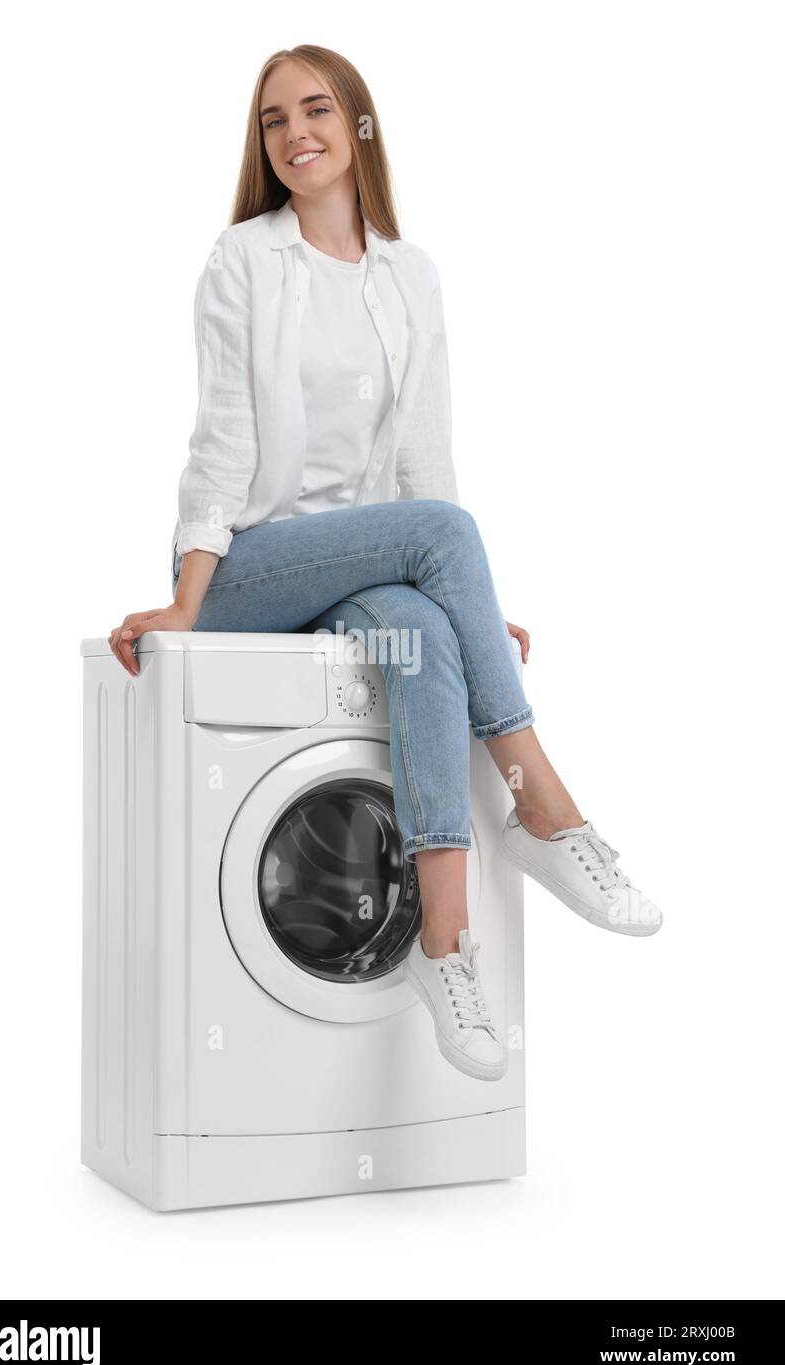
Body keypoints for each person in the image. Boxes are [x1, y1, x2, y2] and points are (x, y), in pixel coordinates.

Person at [108, 44, 662, 1083]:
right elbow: (222, 443)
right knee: (440, 542)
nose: (294, 133)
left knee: (424, 646)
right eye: (273, 120)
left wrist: (464, 610)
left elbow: (423, 461)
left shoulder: (412, 276)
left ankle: (442, 947)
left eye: (315, 110)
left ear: (358, 125)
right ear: (262, 144)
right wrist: (187, 601)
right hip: (251, 569)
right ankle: (546, 807)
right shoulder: (243, 261)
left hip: (376, 579)